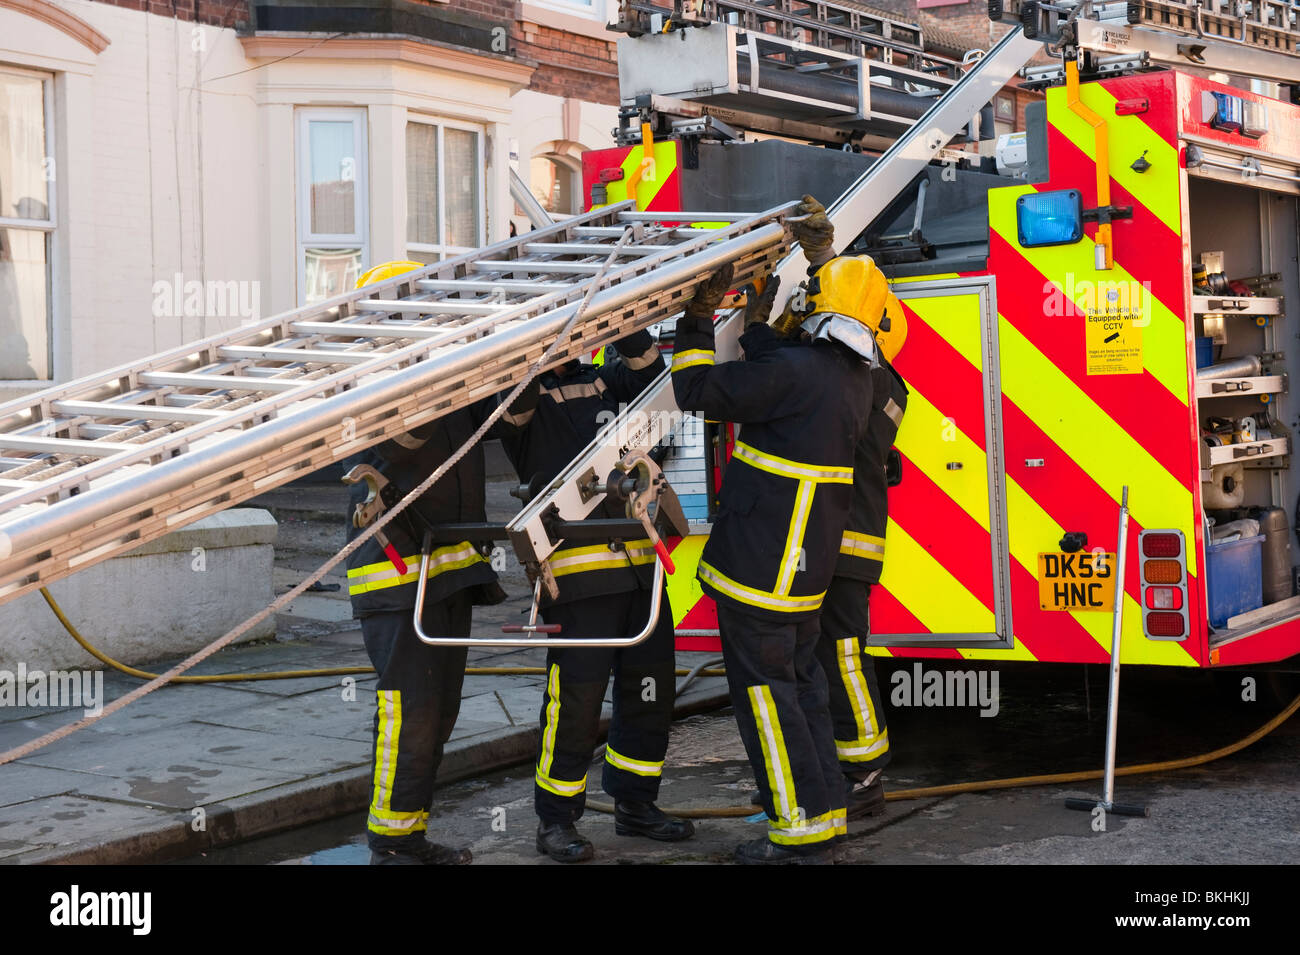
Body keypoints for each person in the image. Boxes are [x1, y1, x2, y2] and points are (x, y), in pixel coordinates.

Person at [671, 244, 883, 863]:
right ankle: (823, 812)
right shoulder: (849, 376)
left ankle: (796, 828)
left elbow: (695, 388)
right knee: (802, 689)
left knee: (768, 698)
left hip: (761, 571)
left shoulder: (797, 372)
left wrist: (696, 321)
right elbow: (780, 370)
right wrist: (759, 329)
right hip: (800, 577)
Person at [497, 330, 692, 863]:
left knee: (650, 690)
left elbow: (659, 381)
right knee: (576, 702)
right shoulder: (524, 397)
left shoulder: (606, 378)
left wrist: (626, 328)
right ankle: (556, 821)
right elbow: (512, 409)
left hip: (639, 569)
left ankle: (636, 804)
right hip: (579, 580)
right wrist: (538, 347)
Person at [345, 261, 505, 865]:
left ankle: (408, 833)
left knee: (439, 713)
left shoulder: (446, 378)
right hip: (396, 574)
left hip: (446, 576)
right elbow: (391, 447)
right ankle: (390, 843)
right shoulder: (370, 382)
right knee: (408, 713)